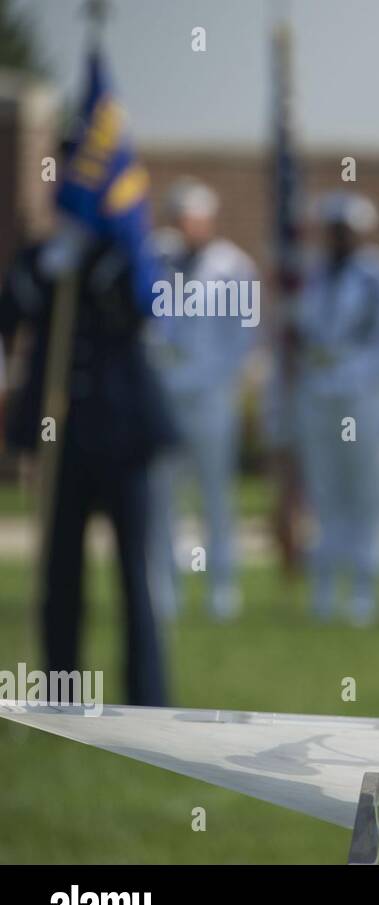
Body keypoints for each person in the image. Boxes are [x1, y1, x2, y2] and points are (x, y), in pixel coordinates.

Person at [0, 222, 176, 704]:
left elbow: (147, 308)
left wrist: (97, 267)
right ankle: (61, 693)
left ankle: (148, 697)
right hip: (64, 441)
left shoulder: (129, 252)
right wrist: (41, 276)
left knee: (136, 572)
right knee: (60, 572)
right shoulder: (39, 258)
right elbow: (10, 316)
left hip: (124, 437)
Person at [291, 192, 379, 626]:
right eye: (333, 229)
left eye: (346, 230)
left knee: (363, 494)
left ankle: (363, 588)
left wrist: (351, 374)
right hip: (318, 395)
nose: (338, 237)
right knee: (324, 493)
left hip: (361, 400)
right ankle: (324, 586)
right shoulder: (314, 274)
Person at [146, 178, 258, 621]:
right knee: (163, 496)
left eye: (193, 220)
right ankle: (164, 590)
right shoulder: (153, 259)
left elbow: (244, 338)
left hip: (211, 396)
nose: (186, 228)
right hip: (164, 393)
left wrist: (215, 378)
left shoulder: (234, 267)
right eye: (179, 219)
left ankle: (222, 588)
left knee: (216, 493)